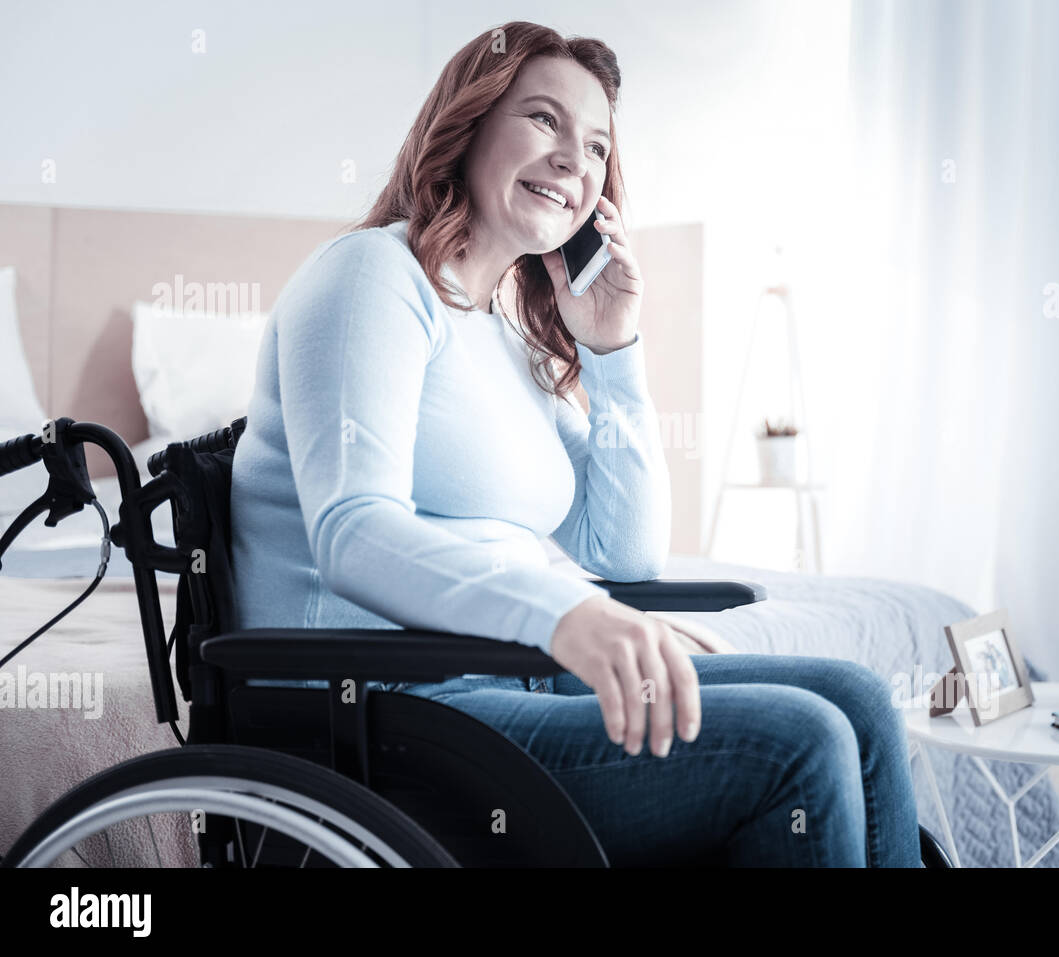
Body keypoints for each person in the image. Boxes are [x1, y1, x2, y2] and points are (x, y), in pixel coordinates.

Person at [230, 20, 924, 867]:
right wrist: (566, 612)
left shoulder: (503, 335)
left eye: (596, 145)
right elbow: (353, 530)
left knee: (857, 702)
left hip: (505, 686)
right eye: (544, 120)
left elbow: (622, 555)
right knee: (802, 742)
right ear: (469, 121)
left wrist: (614, 351)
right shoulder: (370, 278)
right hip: (383, 716)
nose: (574, 160)